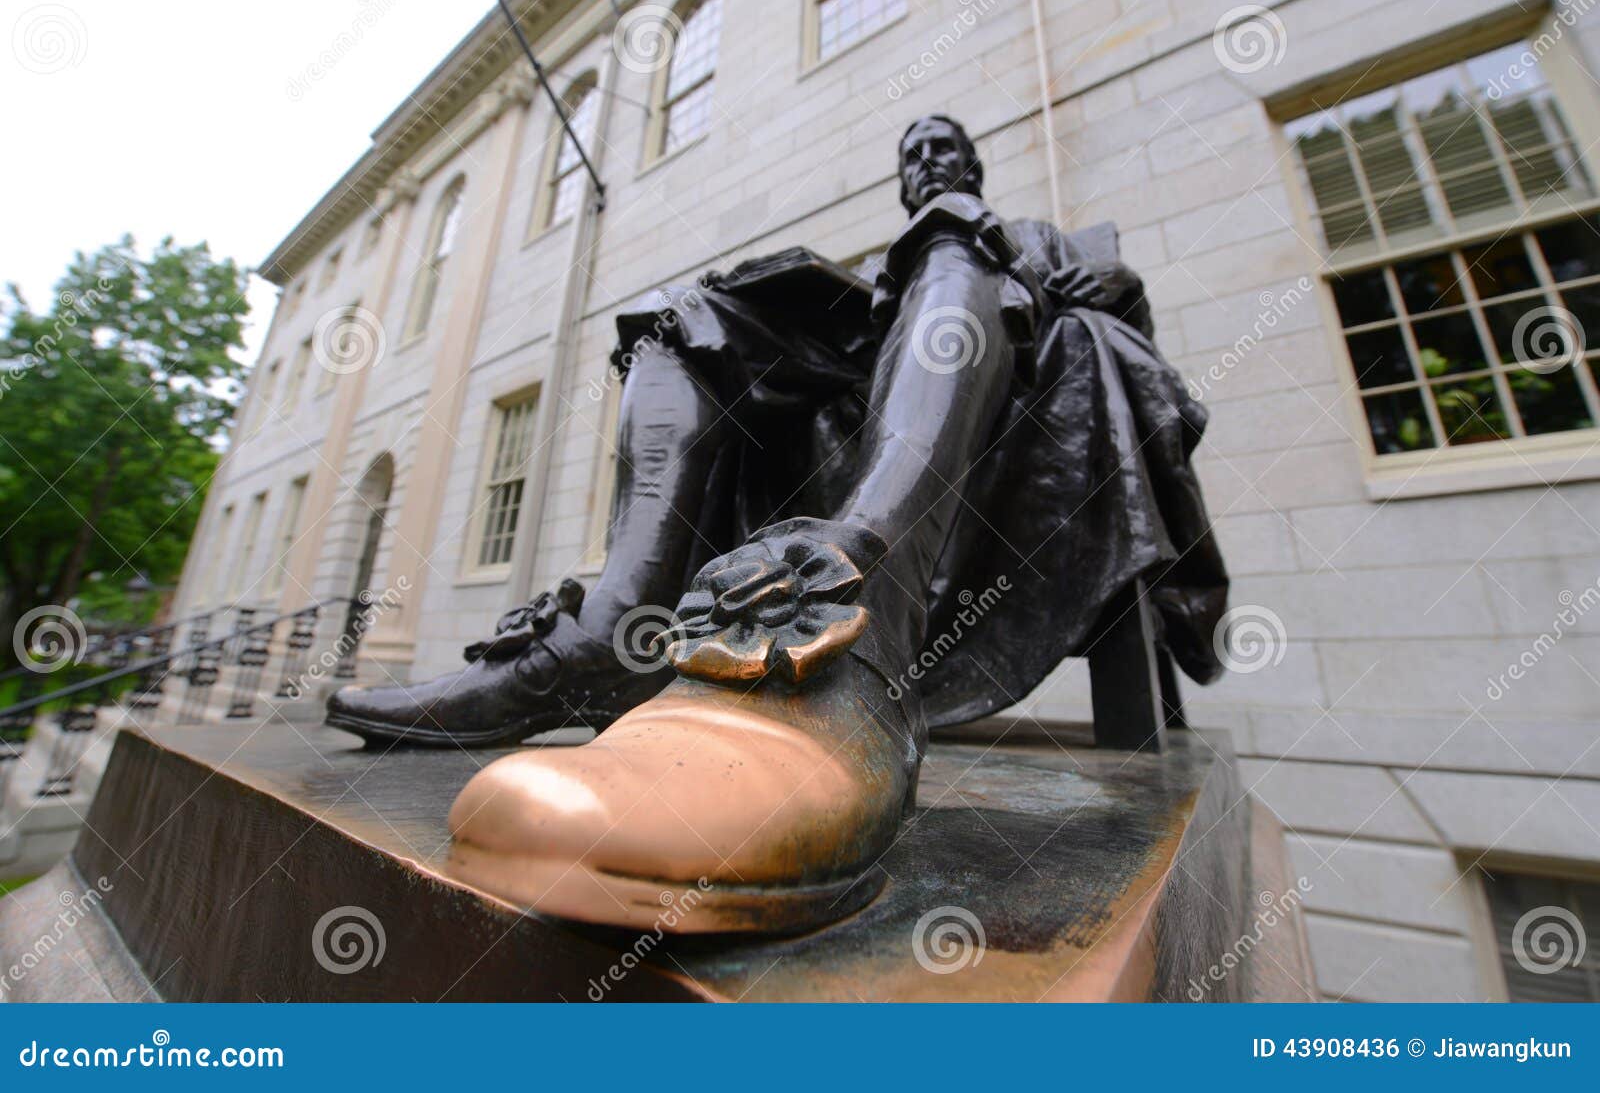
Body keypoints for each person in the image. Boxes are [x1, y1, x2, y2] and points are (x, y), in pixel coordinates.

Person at [329, 115, 1229, 931]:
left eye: (942, 152)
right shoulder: (888, 276)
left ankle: (863, 597)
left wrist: (1088, 279)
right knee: (686, 322)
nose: (925, 163)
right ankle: (615, 634)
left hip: (1003, 411)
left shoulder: (1026, 242)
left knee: (953, 244)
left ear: (976, 161)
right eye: (912, 154)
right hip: (863, 402)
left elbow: (1126, 320)